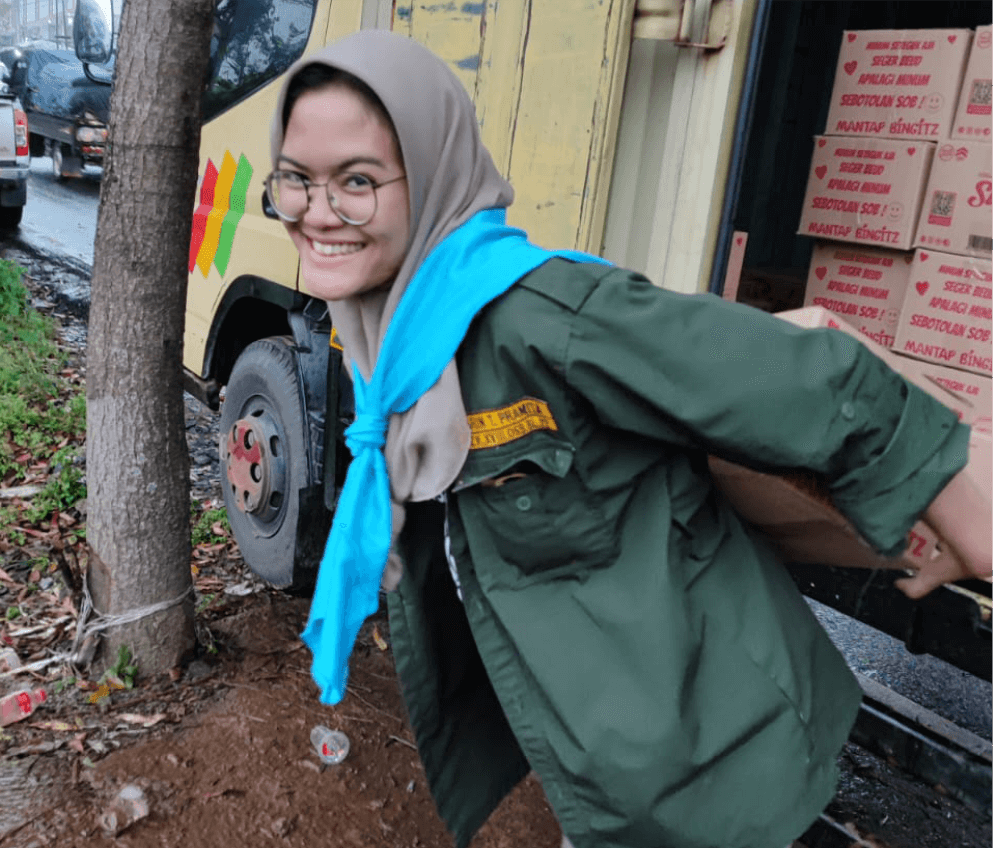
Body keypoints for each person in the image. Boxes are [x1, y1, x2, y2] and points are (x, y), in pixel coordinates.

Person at [263, 30, 992, 848]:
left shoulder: (540, 319)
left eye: (356, 181)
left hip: (710, 749)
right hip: (604, 757)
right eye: (295, 180)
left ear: (432, 173)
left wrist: (966, 516)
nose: (317, 213)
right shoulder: (395, 343)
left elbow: (814, 378)